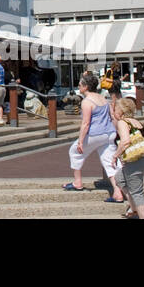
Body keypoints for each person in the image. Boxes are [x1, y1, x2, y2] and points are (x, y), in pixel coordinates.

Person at [63, 72, 121, 202]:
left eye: (80, 85)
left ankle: (77, 182)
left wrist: (80, 141)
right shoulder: (103, 99)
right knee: (109, 162)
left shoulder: (86, 101)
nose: (78, 87)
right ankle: (118, 192)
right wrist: (118, 132)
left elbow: (86, 123)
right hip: (109, 133)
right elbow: (112, 117)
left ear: (85, 87)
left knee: (74, 152)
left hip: (95, 134)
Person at [112, 97, 144, 219]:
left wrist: (115, 156)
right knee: (119, 178)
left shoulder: (123, 122)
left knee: (137, 192)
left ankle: (142, 215)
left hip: (135, 161)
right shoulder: (138, 123)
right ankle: (134, 208)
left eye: (115, 108)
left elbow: (125, 141)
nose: (114, 111)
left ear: (121, 110)